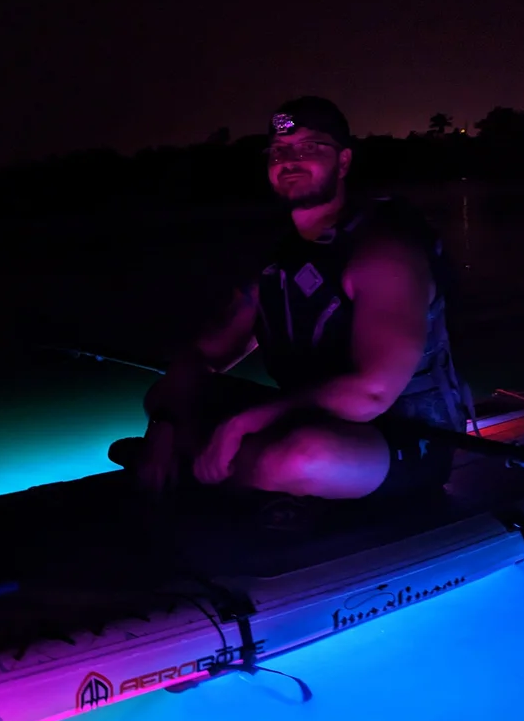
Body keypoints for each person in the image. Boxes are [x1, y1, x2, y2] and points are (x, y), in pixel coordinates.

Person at [135, 96, 472, 501]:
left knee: (298, 457)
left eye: (310, 147)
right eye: (279, 151)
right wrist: (166, 424)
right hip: (307, 416)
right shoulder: (277, 262)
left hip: (405, 437)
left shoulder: (384, 253)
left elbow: (372, 393)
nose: (290, 159)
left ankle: (214, 473)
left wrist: (247, 423)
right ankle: (213, 464)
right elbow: (203, 355)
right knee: (164, 393)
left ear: (343, 162)